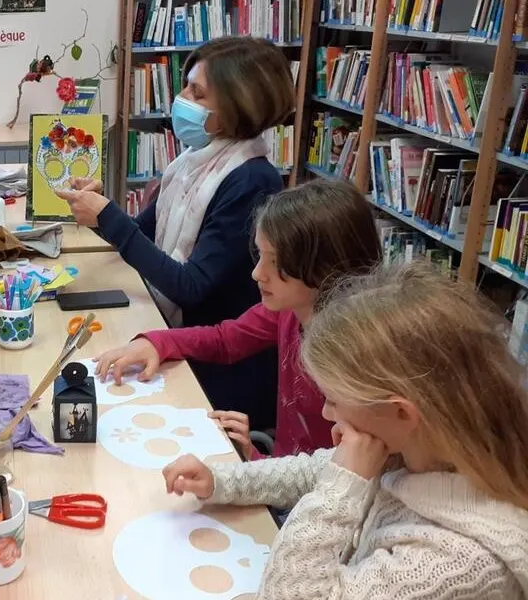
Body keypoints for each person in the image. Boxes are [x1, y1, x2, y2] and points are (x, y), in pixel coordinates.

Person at [162, 262, 528, 599]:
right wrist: (222, 481)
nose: (325, 411)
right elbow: (313, 469)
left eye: (334, 399)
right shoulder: (413, 448)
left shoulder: (458, 562)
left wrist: (343, 484)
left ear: (401, 412)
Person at [56, 37, 296, 430]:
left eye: (196, 92)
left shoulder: (251, 181)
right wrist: (100, 212)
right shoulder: (193, 162)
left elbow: (190, 286)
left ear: (235, 107)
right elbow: (140, 236)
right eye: (186, 85)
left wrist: (110, 218)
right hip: (179, 332)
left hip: (218, 364)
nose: (181, 97)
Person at [93, 179, 382, 459]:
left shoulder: (356, 365)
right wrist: (157, 342)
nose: (257, 273)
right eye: (261, 256)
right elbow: (226, 339)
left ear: (325, 266)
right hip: (279, 477)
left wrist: (253, 460)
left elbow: (337, 480)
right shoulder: (289, 310)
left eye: (275, 262)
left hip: (304, 495)